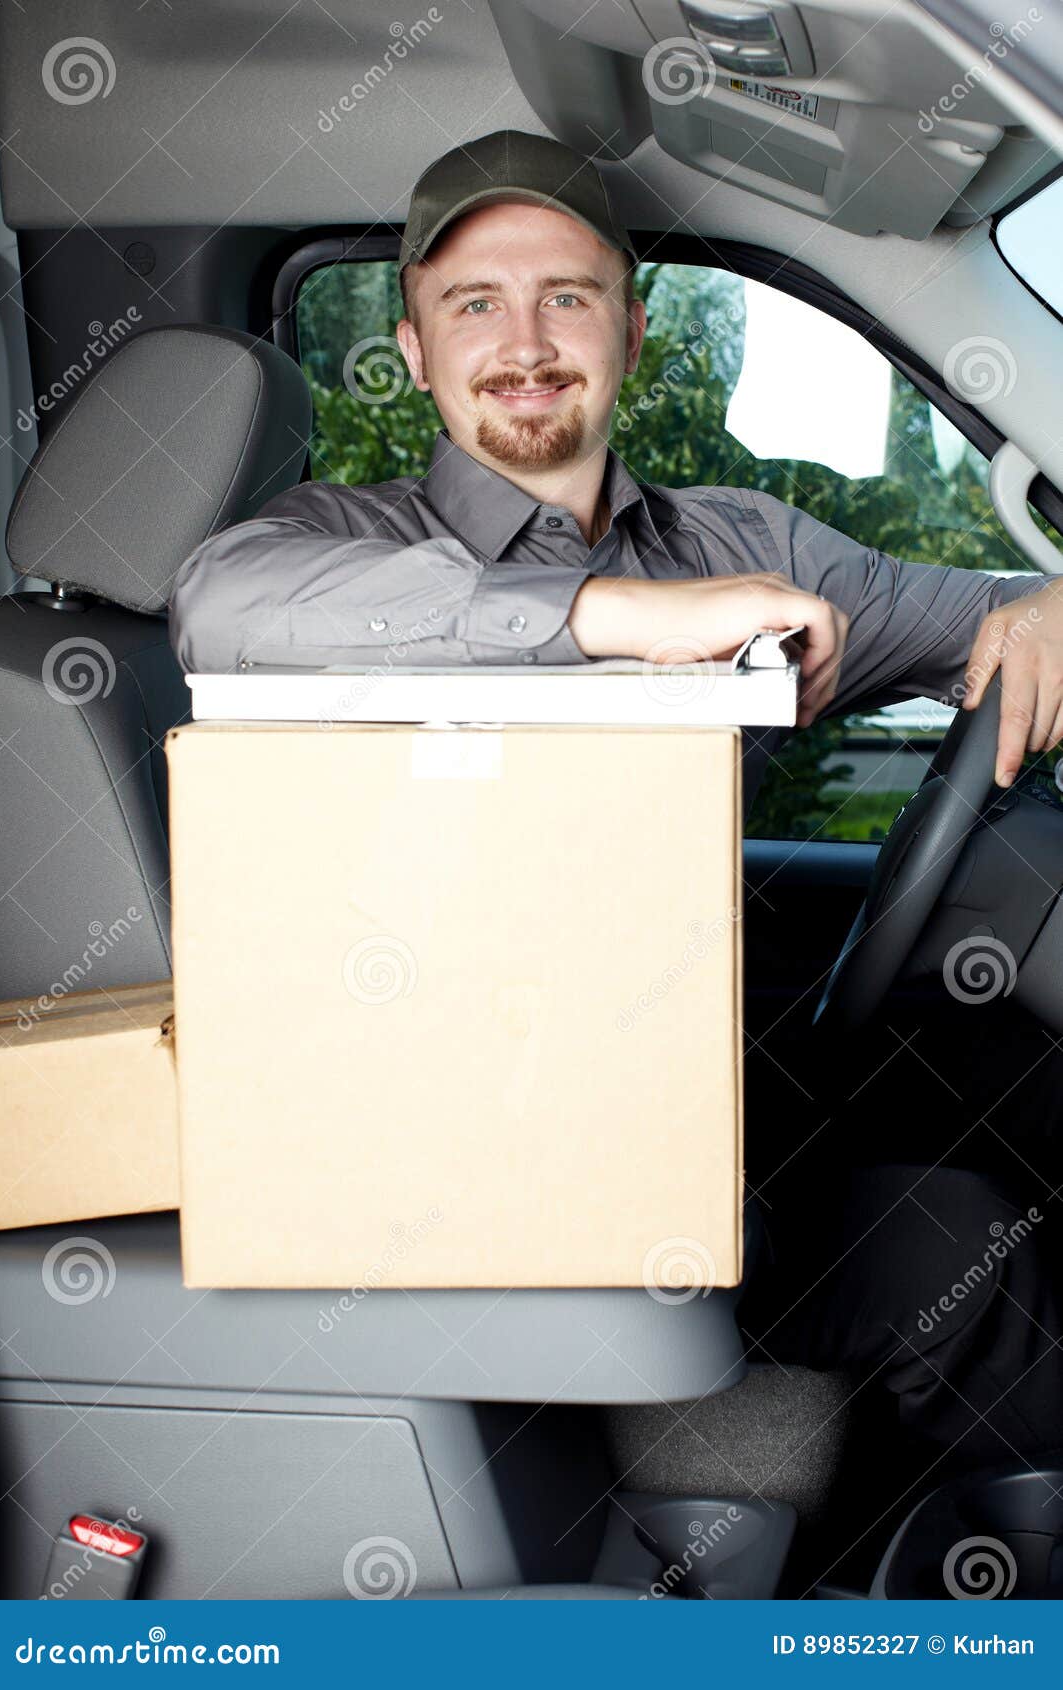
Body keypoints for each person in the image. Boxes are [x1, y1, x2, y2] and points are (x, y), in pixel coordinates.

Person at [169, 129, 1063, 1476]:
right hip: (474, 1182)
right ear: (415, 351)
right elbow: (216, 607)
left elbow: (985, 628)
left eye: (566, 297)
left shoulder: (749, 550)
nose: (523, 339)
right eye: (475, 303)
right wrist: (614, 618)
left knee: (976, 1123)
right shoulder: (333, 549)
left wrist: (1051, 603)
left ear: (632, 330)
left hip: (708, 1107)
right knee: (946, 1254)